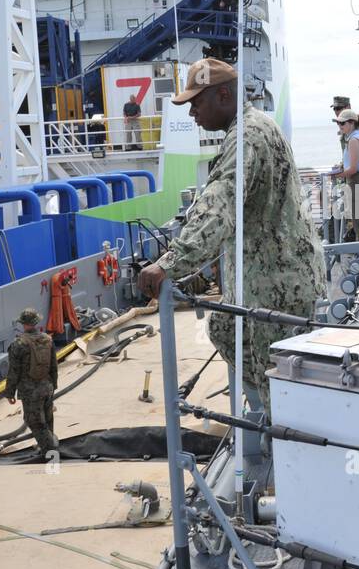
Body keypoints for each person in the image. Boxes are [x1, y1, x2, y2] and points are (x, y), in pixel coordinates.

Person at [136, 58, 324, 411]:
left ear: (223, 94)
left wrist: (168, 264)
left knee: (281, 389)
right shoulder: (253, 127)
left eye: (196, 102)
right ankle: (266, 419)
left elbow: (218, 206)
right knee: (224, 325)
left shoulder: (246, 138)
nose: (192, 112)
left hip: (276, 289)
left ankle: (280, 445)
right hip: (265, 280)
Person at [5, 308, 60, 457]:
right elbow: (54, 366)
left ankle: (50, 450)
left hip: (30, 391)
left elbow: (13, 371)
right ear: (36, 322)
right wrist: (53, 385)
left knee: (34, 421)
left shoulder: (19, 344)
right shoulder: (48, 340)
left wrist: (10, 393)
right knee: (47, 419)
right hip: (47, 387)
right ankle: (48, 445)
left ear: (23, 324)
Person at [330, 108, 359, 242]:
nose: (340, 126)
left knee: (358, 222)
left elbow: (353, 169)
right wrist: (343, 167)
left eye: (342, 123)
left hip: (357, 181)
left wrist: (336, 175)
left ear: (352, 123)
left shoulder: (354, 140)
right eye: (338, 123)